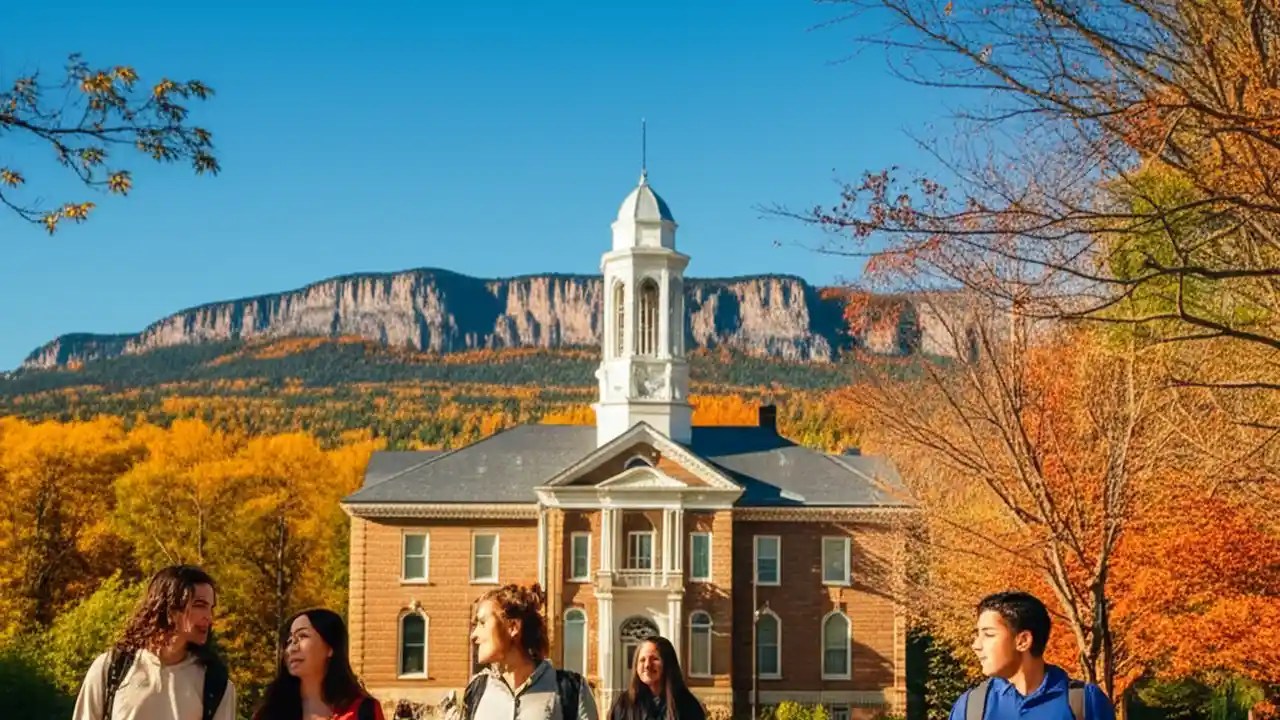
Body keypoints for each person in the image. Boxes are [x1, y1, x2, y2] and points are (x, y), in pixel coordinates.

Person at [73, 564, 236, 720]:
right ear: (170, 609)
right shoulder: (111, 669)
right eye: (200, 605)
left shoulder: (215, 684)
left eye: (211, 608)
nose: (209, 617)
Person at [950, 591, 1115, 720]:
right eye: (977, 634)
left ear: (1023, 640)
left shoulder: (1084, 702)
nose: (976, 645)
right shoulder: (971, 706)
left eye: (989, 634)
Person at [460, 583, 598, 720]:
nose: (474, 635)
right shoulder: (477, 689)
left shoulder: (571, 690)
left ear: (513, 627)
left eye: (482, 623)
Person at [253, 607, 384, 720]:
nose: (292, 648)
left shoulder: (363, 710)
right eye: (289, 640)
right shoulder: (270, 712)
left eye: (303, 636)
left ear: (330, 648)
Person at [609, 636, 705, 720]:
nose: (647, 665)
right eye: (642, 660)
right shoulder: (623, 705)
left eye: (654, 659)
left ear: (668, 663)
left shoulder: (687, 706)